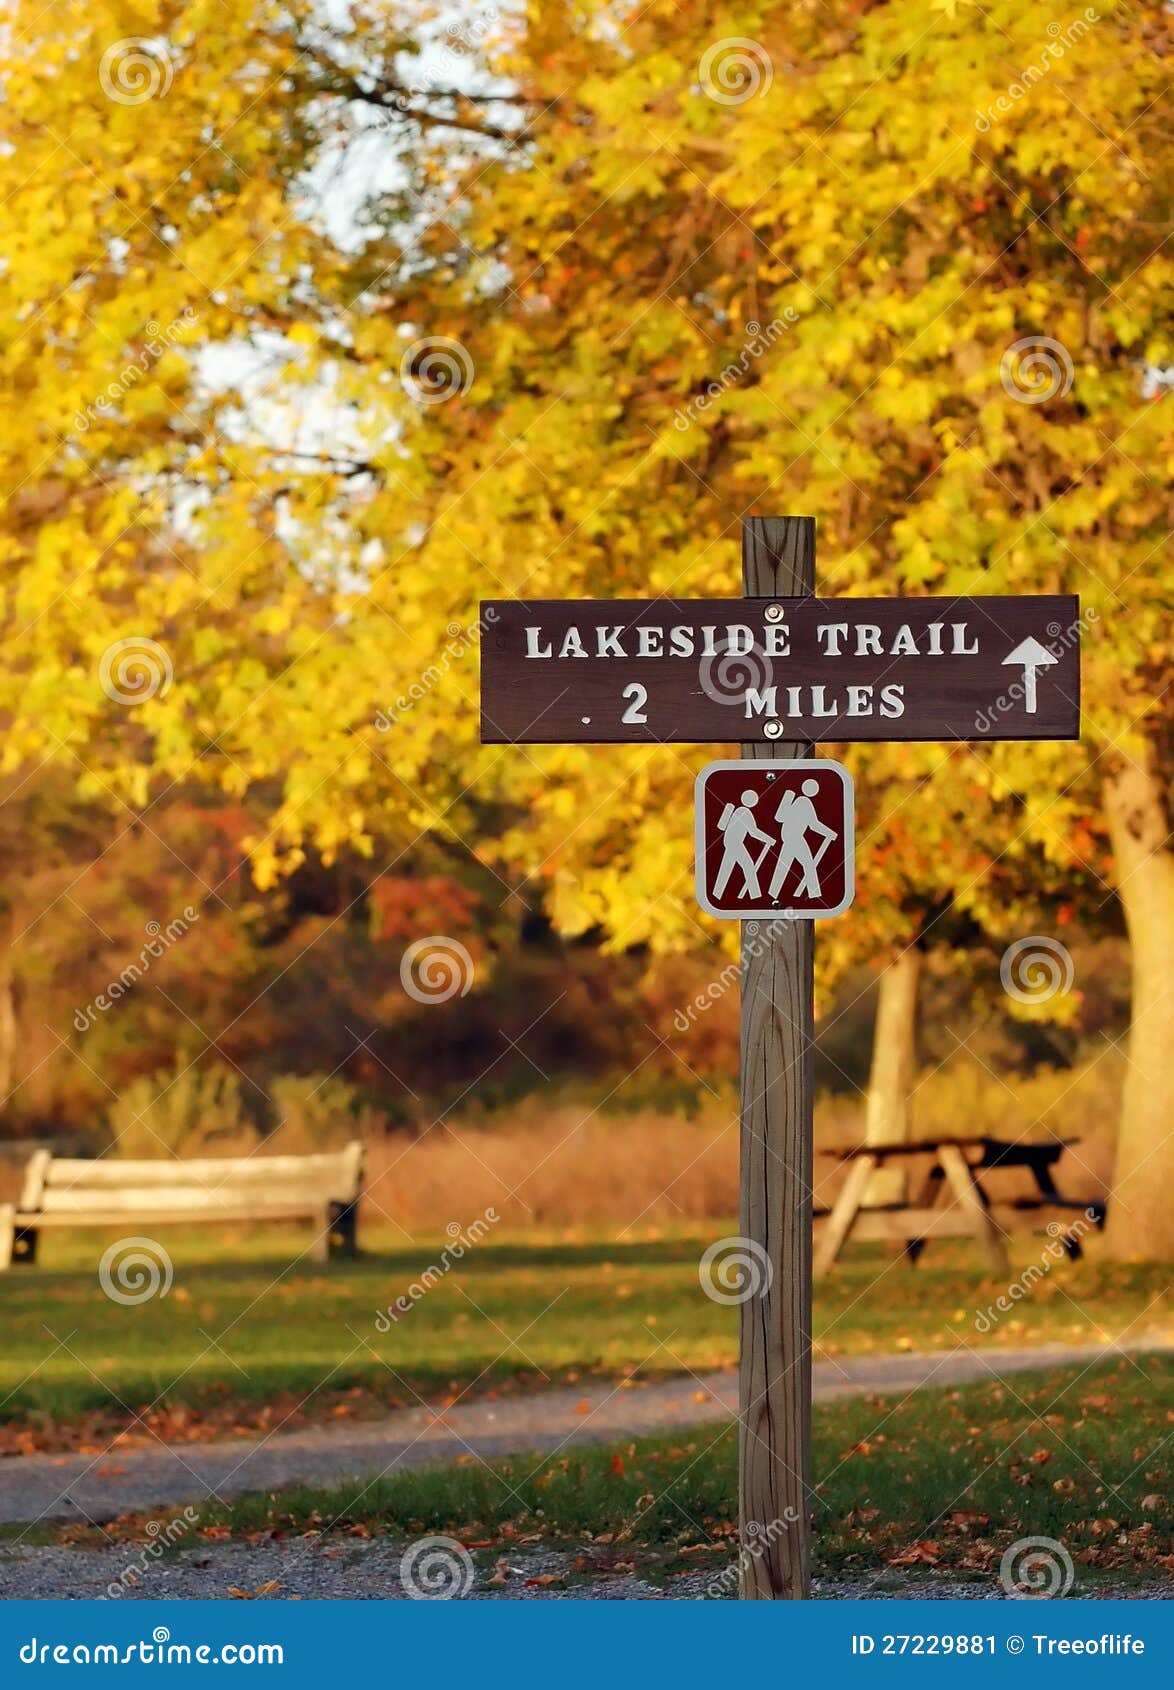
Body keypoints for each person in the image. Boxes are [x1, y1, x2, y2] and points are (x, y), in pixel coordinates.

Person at [770, 778, 837, 900]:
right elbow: (813, 824)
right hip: (795, 839)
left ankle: (773, 894)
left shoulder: (798, 801)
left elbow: (811, 824)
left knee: (783, 866)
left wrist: (829, 833)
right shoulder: (805, 803)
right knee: (808, 864)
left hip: (788, 838)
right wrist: (830, 833)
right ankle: (814, 895)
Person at [713, 789, 775, 901]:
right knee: (748, 866)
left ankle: (717, 894)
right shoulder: (745, 812)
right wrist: (769, 839)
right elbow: (753, 832)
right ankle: (755, 896)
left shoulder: (738, 810)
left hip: (730, 842)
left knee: (726, 868)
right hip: (735, 843)